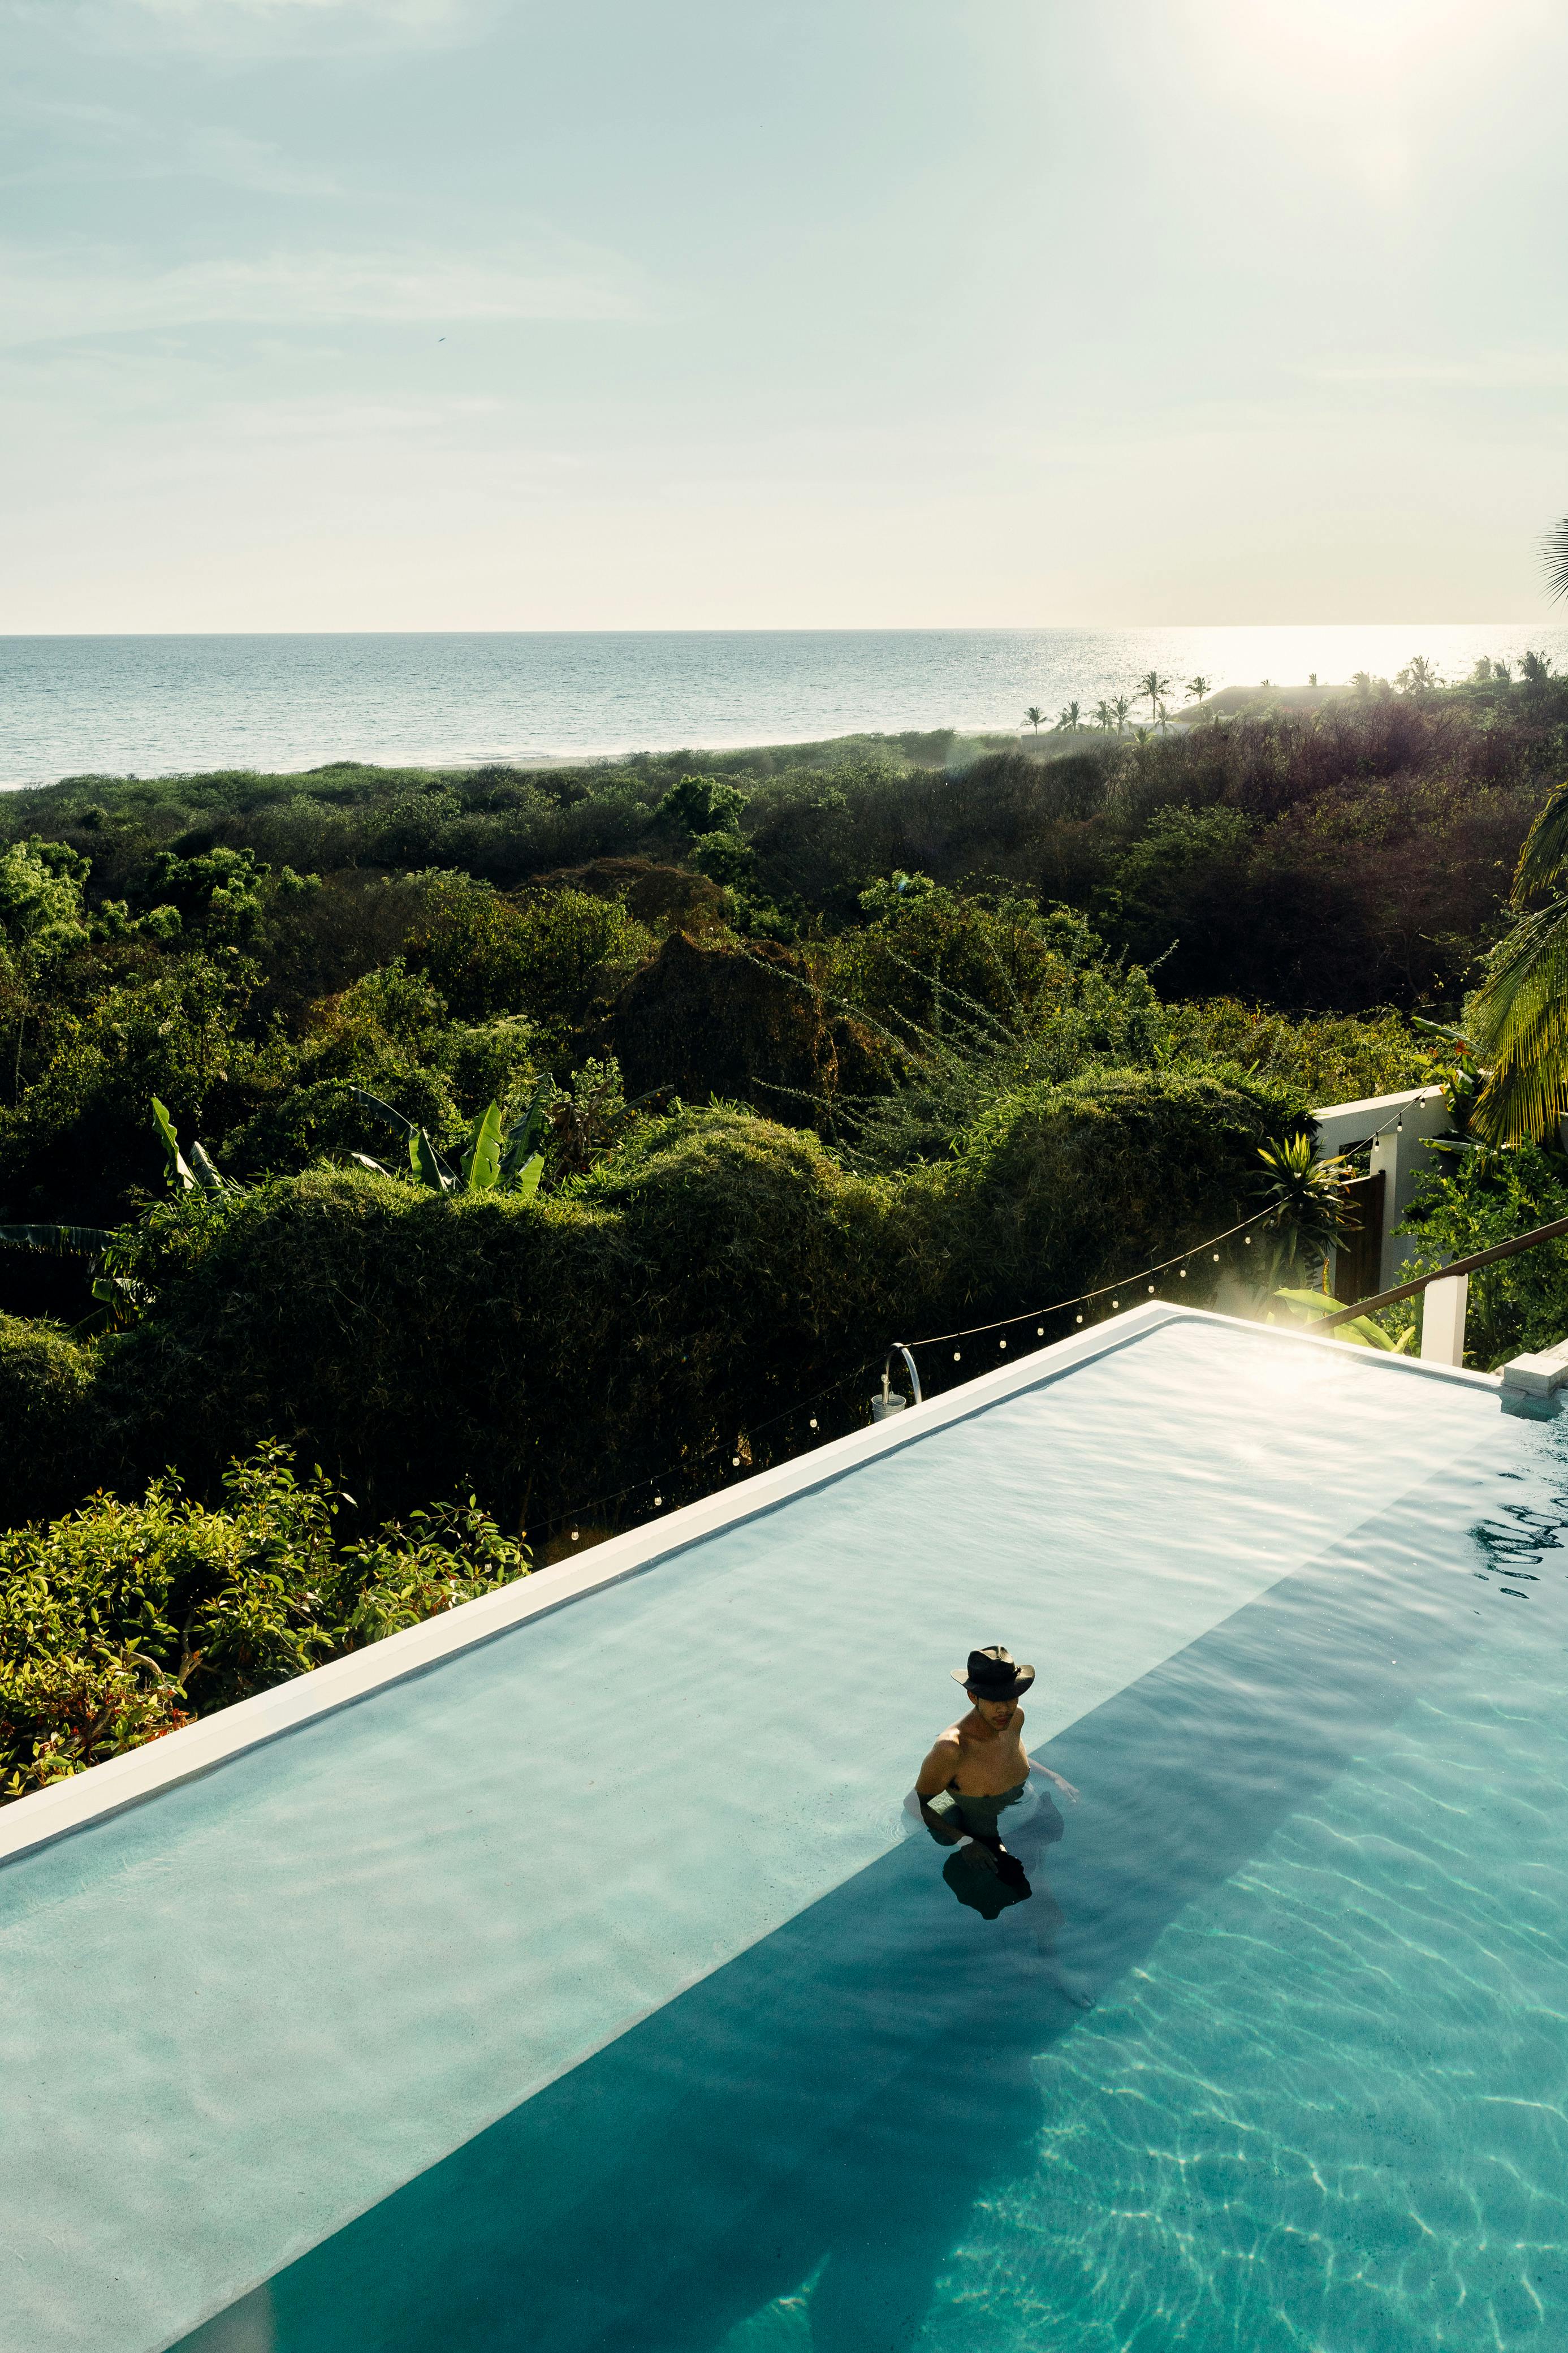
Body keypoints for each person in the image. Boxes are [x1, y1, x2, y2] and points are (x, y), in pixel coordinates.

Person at [913, 1645, 1080, 1929]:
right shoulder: (952, 1748)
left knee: (1041, 1889)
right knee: (1019, 1903)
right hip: (997, 1838)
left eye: (1011, 1697)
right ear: (973, 1696)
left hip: (1035, 1814)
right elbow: (917, 1804)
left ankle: (1043, 1939)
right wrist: (965, 1843)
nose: (1004, 1708)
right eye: (994, 1700)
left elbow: (1015, 1755)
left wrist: (1054, 1777)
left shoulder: (1015, 1718)